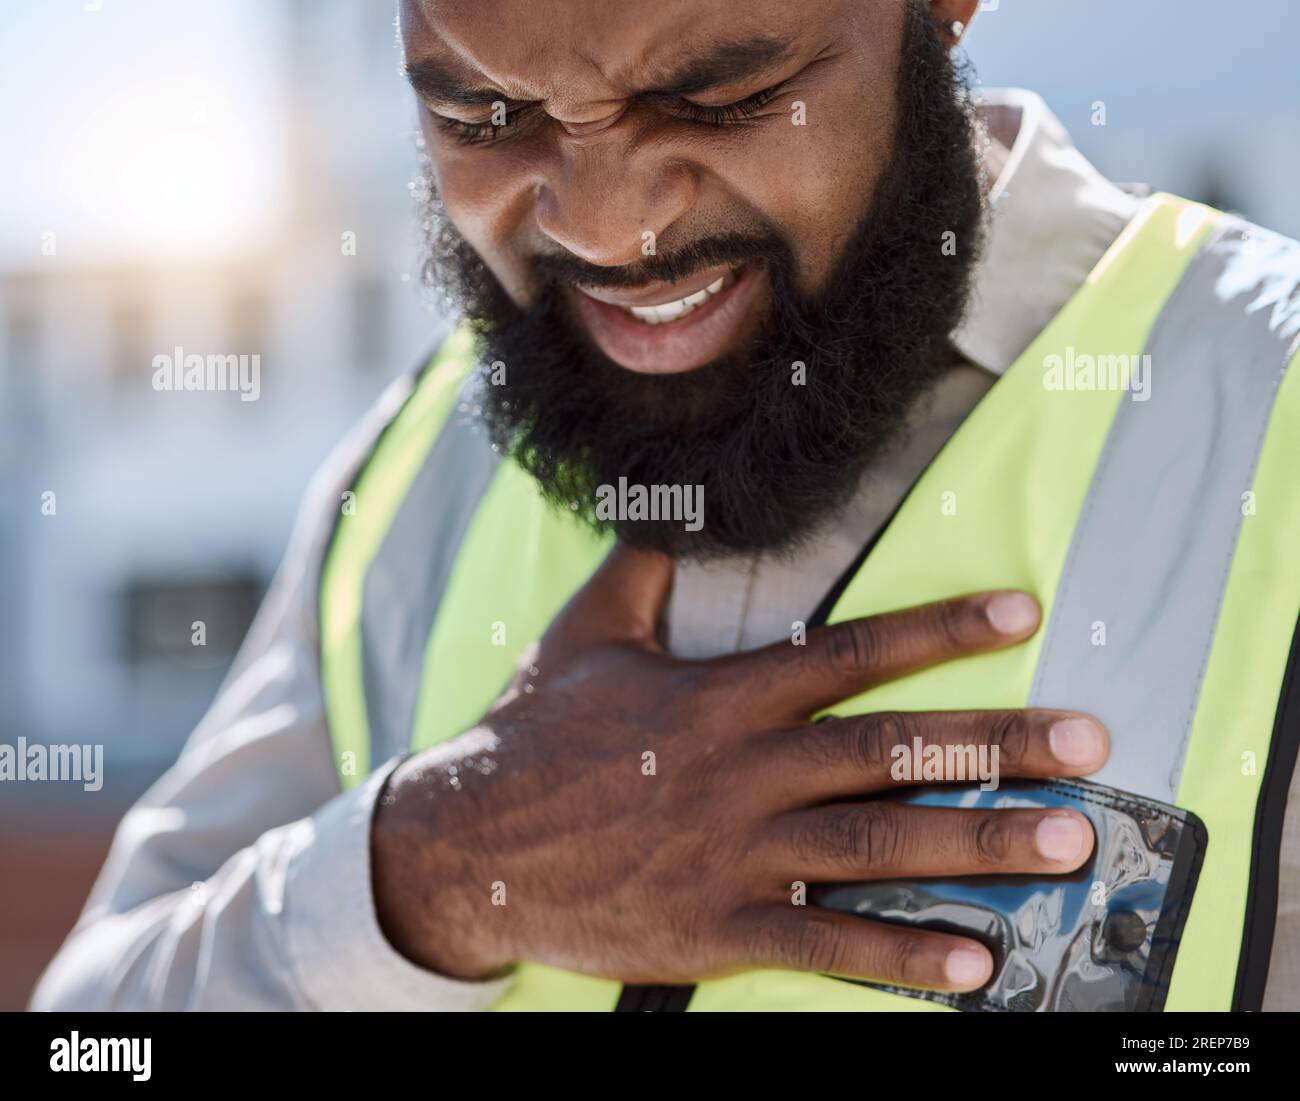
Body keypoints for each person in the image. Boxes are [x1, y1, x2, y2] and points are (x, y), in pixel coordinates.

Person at [33, 0, 1300, 1012]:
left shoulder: (1267, 414)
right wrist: (431, 874)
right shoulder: (413, 466)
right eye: (483, 112)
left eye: (722, 98)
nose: (609, 229)